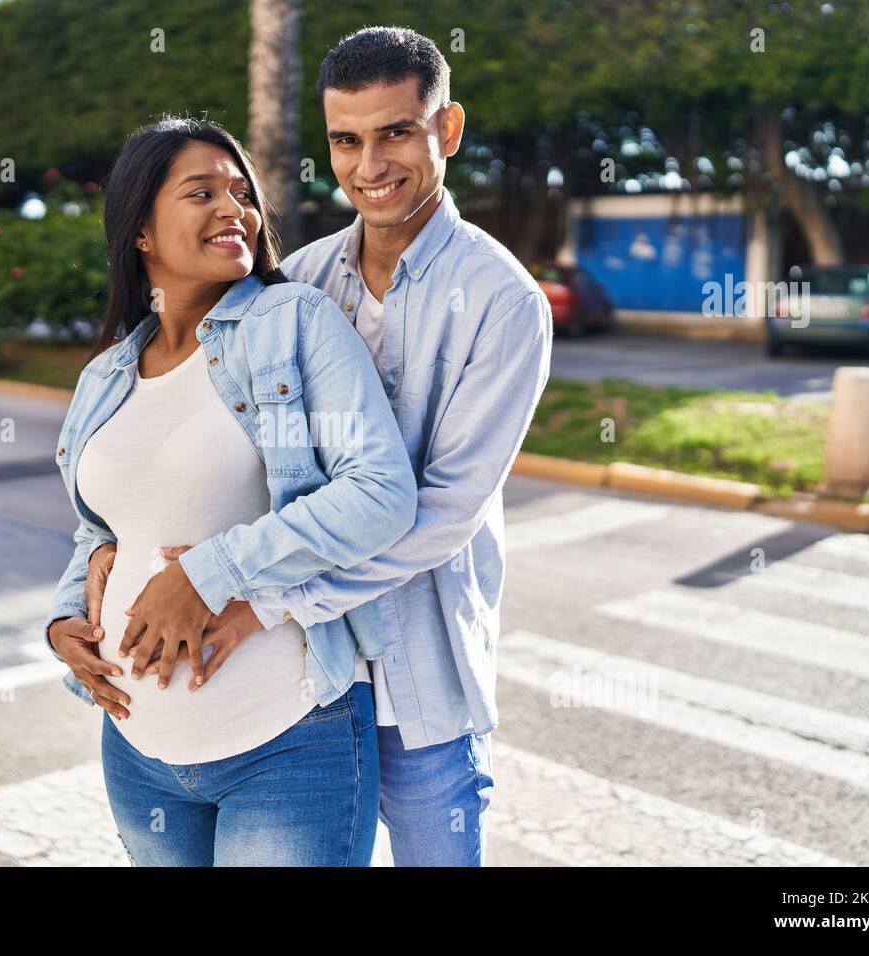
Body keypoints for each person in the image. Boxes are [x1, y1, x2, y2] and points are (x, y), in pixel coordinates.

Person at [151, 27, 554, 866]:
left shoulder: (503, 301)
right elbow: (235, 448)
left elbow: (442, 511)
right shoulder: (296, 280)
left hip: (419, 693)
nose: (369, 164)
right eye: (346, 139)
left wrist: (258, 597)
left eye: (396, 132)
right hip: (301, 686)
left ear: (446, 130)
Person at [43, 117, 418, 866]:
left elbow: (380, 493)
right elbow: (103, 532)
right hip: (138, 747)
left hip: (285, 741)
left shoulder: (293, 325)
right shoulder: (106, 375)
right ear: (141, 230)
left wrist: (208, 574)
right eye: (202, 191)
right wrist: (62, 624)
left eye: (242, 192)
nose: (234, 209)